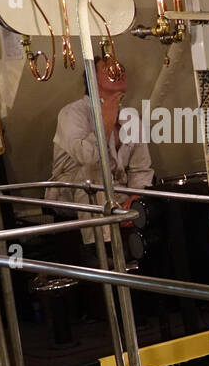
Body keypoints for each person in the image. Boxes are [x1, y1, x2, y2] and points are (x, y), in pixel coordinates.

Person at [46, 56, 153, 237]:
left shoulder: (131, 119)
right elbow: (87, 157)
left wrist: (135, 199)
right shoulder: (72, 113)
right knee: (93, 173)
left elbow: (141, 168)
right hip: (73, 191)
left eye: (120, 69)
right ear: (92, 79)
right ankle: (103, 250)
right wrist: (105, 122)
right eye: (109, 70)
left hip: (118, 192)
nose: (118, 72)